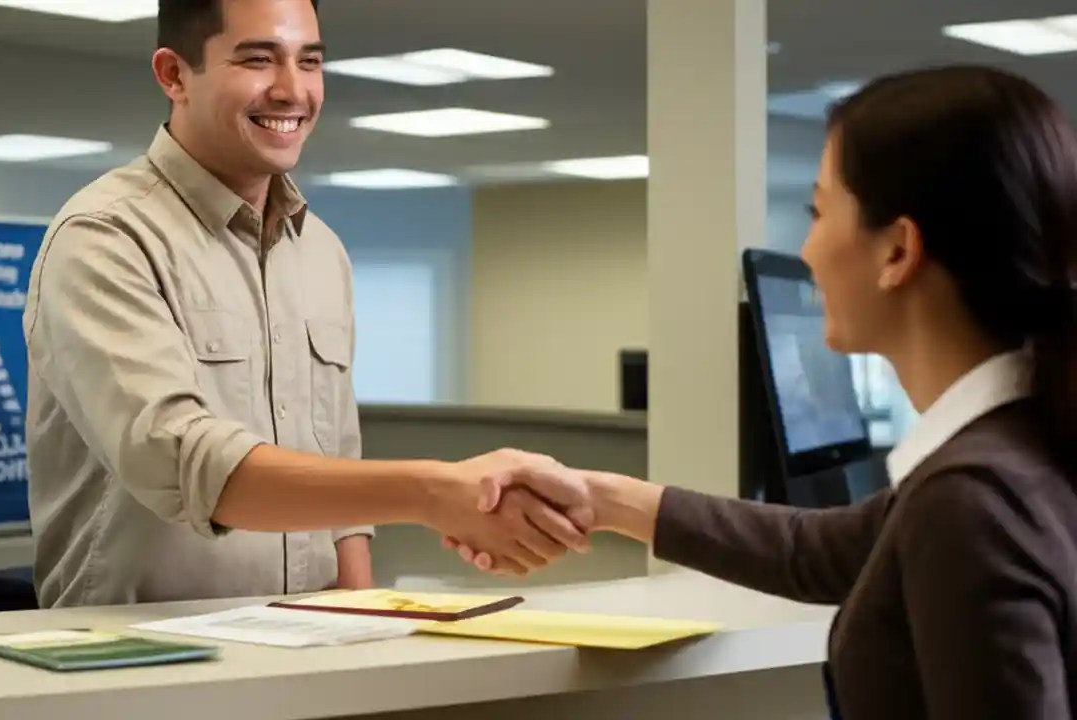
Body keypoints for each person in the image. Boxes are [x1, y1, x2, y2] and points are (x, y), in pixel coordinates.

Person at [451, 65, 1077, 720]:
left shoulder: (973, 502)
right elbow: (815, 552)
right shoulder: (1024, 453)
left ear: (897, 251)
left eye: (819, 211)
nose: (806, 250)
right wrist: (601, 499)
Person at [22, 0, 591, 608]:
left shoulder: (320, 250)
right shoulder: (105, 238)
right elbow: (181, 458)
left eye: (310, 61)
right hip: (142, 661)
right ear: (173, 74)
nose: (293, 90)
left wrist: (363, 627)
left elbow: (337, 464)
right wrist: (433, 491)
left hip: (308, 642)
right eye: (258, 59)